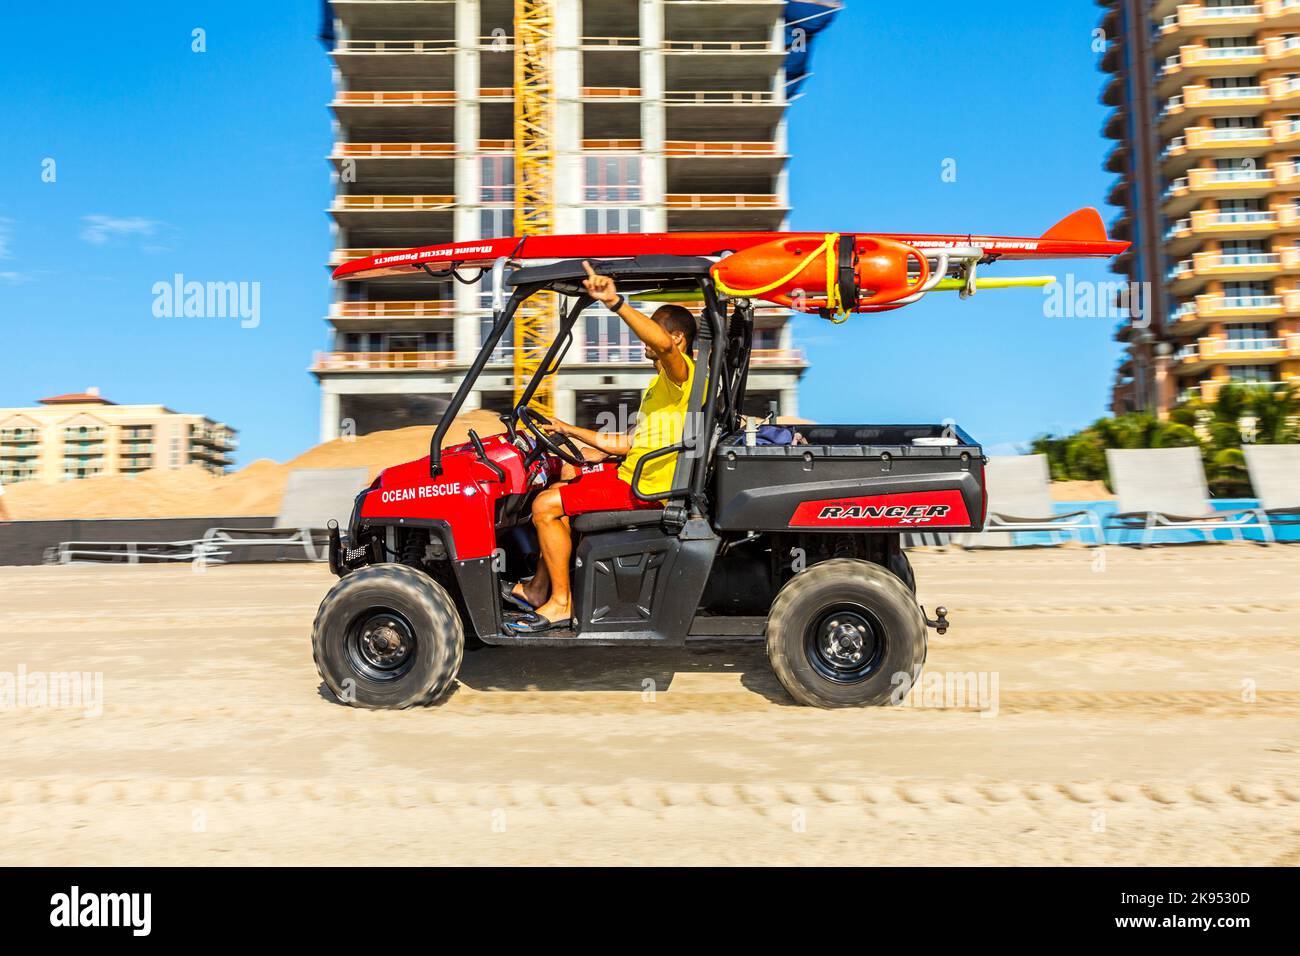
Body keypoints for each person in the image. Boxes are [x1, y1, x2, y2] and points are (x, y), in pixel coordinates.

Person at [505, 261, 697, 632]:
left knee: (545, 505)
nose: (648, 338)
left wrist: (615, 302)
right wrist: (568, 429)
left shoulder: (680, 373)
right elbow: (628, 443)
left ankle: (561, 603)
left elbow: (660, 344)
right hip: (637, 473)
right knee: (559, 486)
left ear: (676, 339)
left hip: (648, 488)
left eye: (658, 329)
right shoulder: (661, 388)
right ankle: (538, 588)